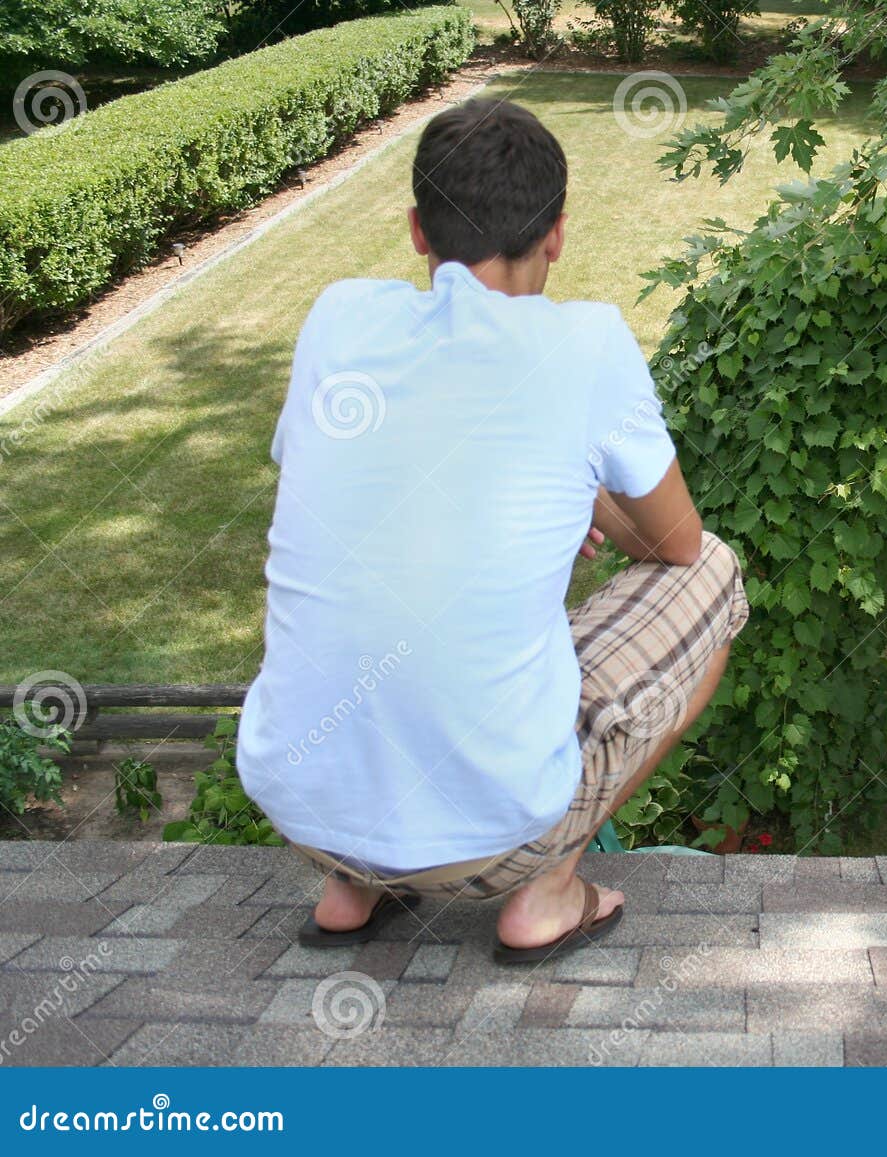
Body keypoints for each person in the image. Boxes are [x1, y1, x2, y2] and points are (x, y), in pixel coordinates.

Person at [237, 98, 747, 964]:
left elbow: (363, 495)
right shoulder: (587, 344)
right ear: (555, 234)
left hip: (301, 814)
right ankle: (547, 892)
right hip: (490, 845)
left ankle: (353, 887)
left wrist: (551, 483)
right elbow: (677, 546)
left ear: (415, 231)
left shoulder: (336, 319)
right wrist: (587, 485)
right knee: (720, 576)